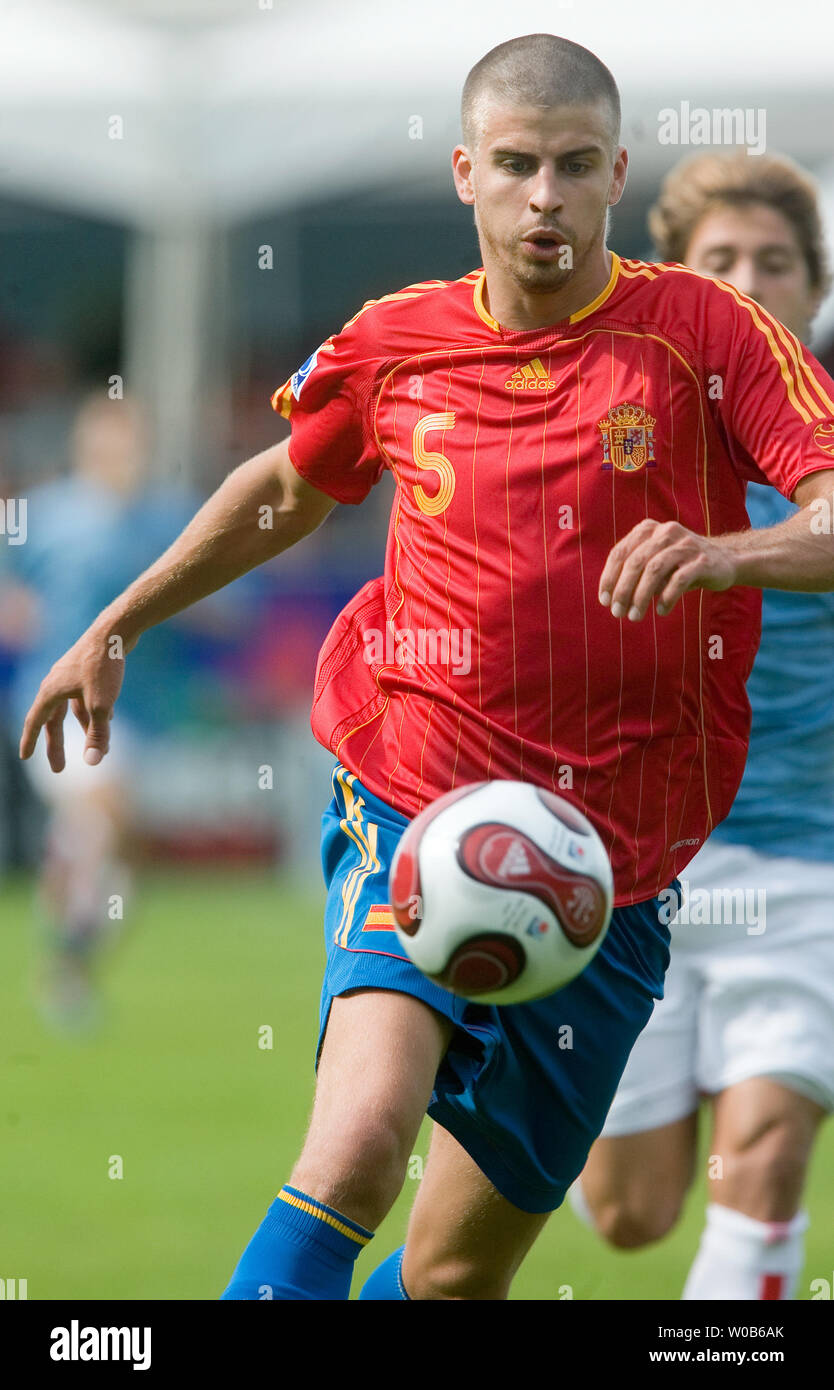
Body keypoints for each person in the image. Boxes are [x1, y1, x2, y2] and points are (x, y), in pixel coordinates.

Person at [19, 35, 834, 1301]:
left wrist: (730, 553)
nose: (544, 197)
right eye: (516, 166)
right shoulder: (398, 339)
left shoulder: (700, 330)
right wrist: (117, 621)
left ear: (618, 172)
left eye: (574, 166)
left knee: (453, 1276)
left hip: (610, 868)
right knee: (351, 1155)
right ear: (466, 173)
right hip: (415, 796)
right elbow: (291, 484)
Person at [572, 152, 834, 1301]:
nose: (750, 283)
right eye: (720, 263)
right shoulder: (616, 429)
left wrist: (723, 556)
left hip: (810, 857)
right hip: (641, 860)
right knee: (630, 1214)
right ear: (677, 278)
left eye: (775, 263)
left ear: (814, 289)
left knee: (767, 1153)